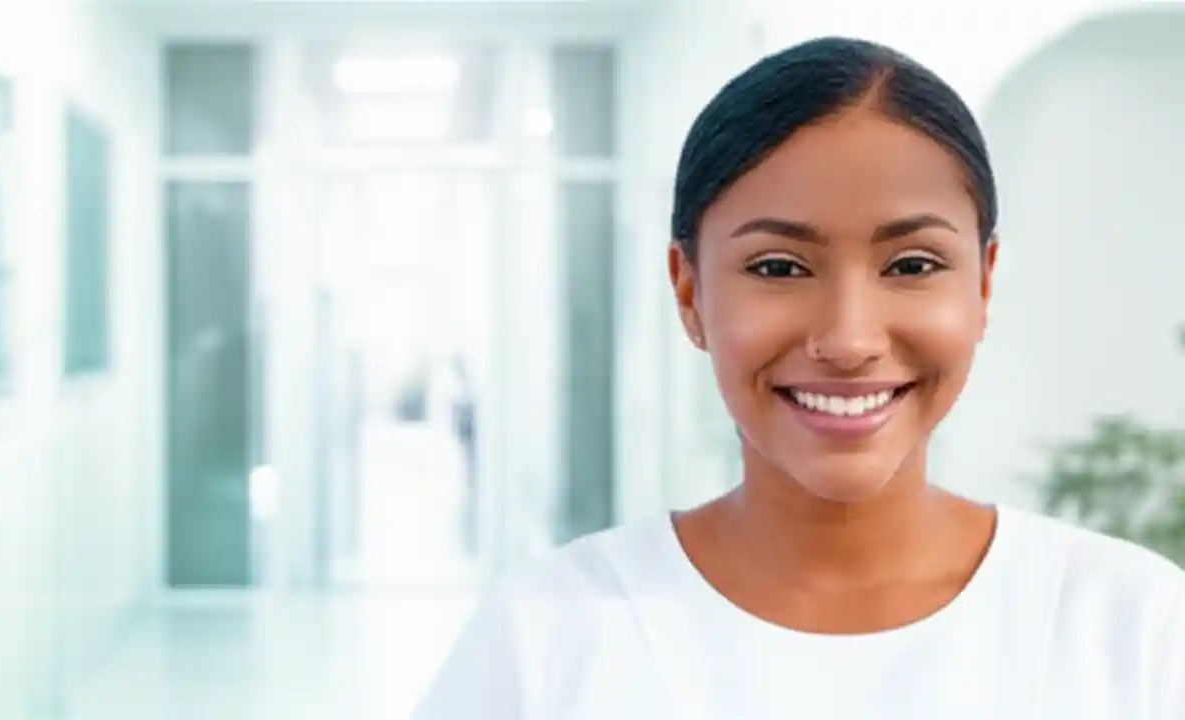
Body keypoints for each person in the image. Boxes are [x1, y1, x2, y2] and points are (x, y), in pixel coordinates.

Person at [410, 37, 1185, 719]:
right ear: (689, 292)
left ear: (982, 286)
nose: (848, 340)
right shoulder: (549, 634)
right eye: (778, 267)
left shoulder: (1130, 627)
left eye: (912, 265)